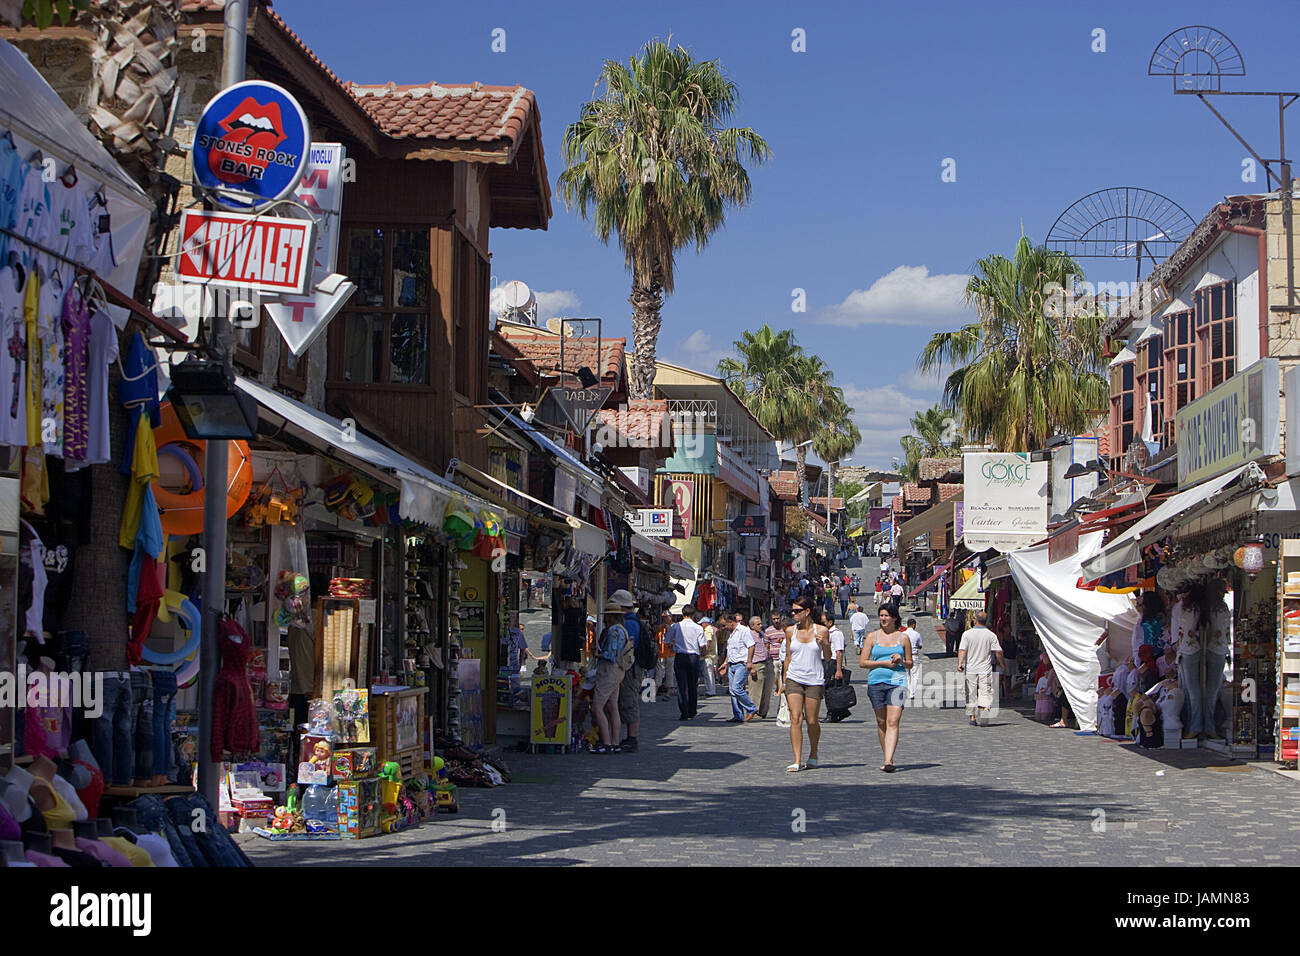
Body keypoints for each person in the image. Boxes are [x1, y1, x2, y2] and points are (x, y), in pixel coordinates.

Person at [778, 598, 832, 772]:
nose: (793, 614)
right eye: (792, 611)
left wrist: (824, 643)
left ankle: (814, 752)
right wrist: (783, 681)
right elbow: (787, 657)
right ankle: (796, 759)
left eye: (796, 611)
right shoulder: (789, 631)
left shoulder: (822, 630)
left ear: (807, 611)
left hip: (814, 679)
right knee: (795, 718)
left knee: (811, 720)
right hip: (794, 678)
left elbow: (828, 656)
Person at [859, 602, 911, 772]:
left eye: (886, 615)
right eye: (881, 615)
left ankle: (889, 761)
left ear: (894, 618)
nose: (883, 618)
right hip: (876, 682)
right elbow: (862, 662)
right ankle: (887, 755)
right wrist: (882, 663)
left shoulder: (903, 638)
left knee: (893, 720)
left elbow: (910, 663)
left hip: (897, 682)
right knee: (881, 722)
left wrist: (901, 661)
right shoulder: (872, 637)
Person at [591, 597, 634, 754]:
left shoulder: (614, 631)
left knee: (597, 706)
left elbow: (611, 654)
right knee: (613, 706)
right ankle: (615, 742)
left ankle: (606, 742)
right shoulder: (623, 629)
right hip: (619, 671)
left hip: (609, 671)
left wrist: (597, 655)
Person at [957, 610, 1004, 727]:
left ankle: (972, 717)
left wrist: (960, 663)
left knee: (971, 692)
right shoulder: (991, 635)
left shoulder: (967, 634)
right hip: (985, 668)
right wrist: (1002, 664)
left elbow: (962, 650)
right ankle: (985, 710)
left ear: (975, 620)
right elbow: (998, 651)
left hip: (971, 668)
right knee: (986, 690)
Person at [614, 592, 644, 752]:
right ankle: (628, 737)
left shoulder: (630, 623)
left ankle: (632, 738)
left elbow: (628, 648)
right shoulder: (632, 620)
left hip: (630, 669)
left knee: (629, 701)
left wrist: (624, 670)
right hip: (631, 668)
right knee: (626, 701)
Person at [720, 614, 760, 722]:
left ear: (731, 622)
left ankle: (751, 708)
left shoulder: (743, 630)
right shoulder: (730, 634)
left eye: (724, 625)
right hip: (732, 664)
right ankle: (738, 715)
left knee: (737, 687)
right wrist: (725, 663)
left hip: (741, 664)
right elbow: (731, 650)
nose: (723, 628)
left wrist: (749, 662)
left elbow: (751, 646)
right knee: (732, 691)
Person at [667, 606, 704, 720]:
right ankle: (692, 710)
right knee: (692, 685)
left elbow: (666, 640)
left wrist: (674, 647)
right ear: (693, 614)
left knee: (681, 685)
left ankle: (684, 712)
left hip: (680, 656)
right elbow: (702, 645)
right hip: (693, 657)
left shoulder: (676, 626)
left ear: (682, 614)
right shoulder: (698, 628)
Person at [746, 615, 775, 719]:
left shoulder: (762, 635)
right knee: (755, 690)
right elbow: (748, 652)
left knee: (767, 690)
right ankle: (753, 711)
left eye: (761, 623)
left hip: (767, 663)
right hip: (757, 664)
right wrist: (751, 666)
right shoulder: (750, 636)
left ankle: (763, 712)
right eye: (758, 624)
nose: (761, 626)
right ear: (752, 626)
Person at [823, 614, 851, 721]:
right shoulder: (825, 633)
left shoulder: (836, 634)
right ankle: (839, 711)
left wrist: (838, 670)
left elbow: (839, 652)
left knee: (831, 689)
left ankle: (833, 713)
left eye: (823, 622)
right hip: (826, 662)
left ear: (830, 622)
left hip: (833, 662)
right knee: (828, 689)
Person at [904, 617, 924, 700]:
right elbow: (920, 645)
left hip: (905, 656)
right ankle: (912, 693)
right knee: (915, 675)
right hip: (913, 655)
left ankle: (909, 691)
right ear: (913, 625)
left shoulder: (903, 634)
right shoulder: (917, 634)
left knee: (907, 675)